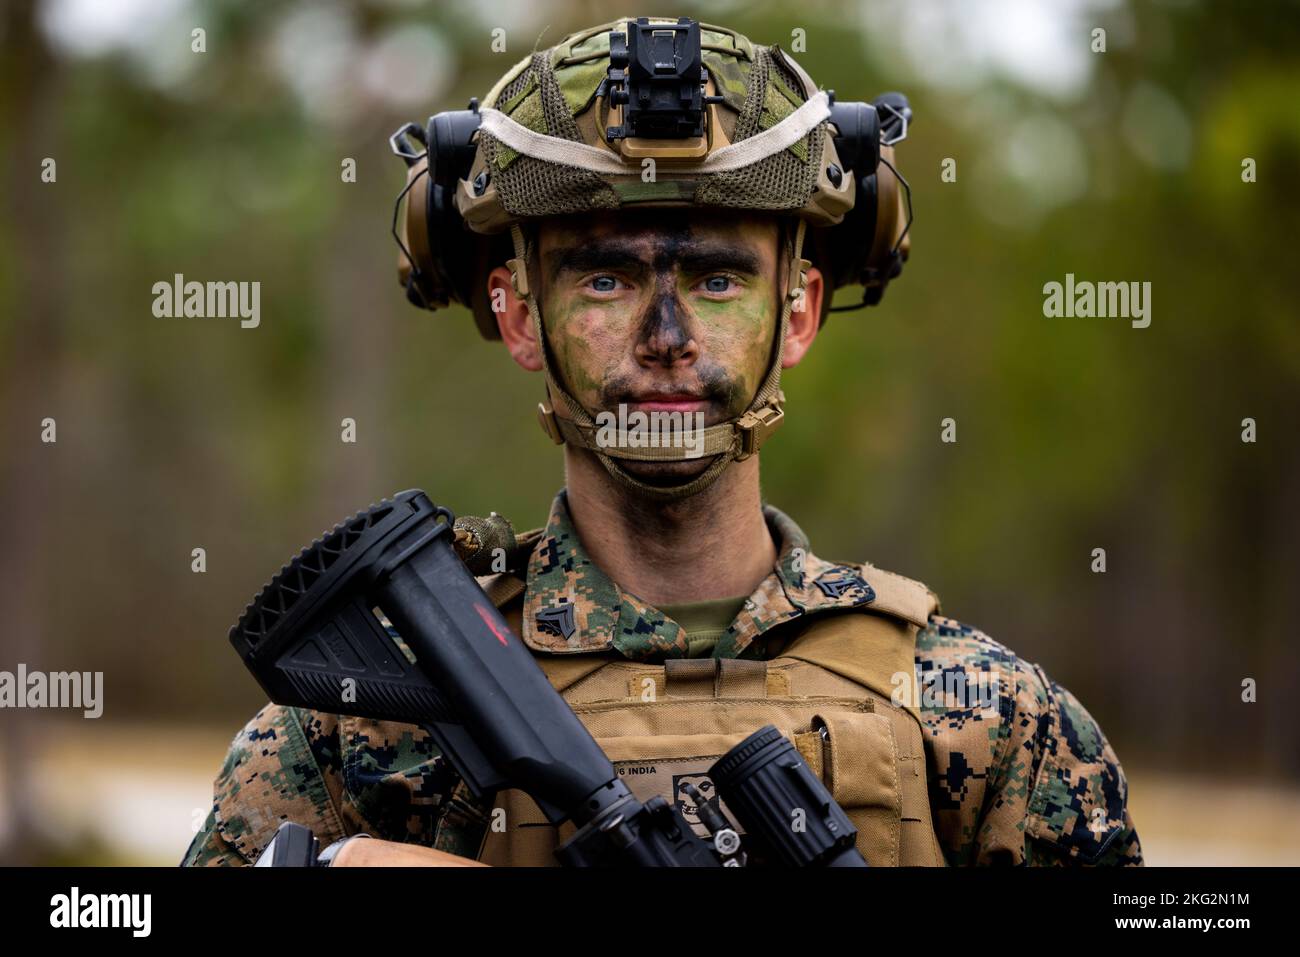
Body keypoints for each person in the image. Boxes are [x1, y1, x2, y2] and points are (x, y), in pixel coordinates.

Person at [183, 17, 1142, 867]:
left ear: (798, 314)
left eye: (720, 282)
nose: (669, 339)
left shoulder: (985, 718)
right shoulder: (371, 720)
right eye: (606, 281)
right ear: (519, 318)